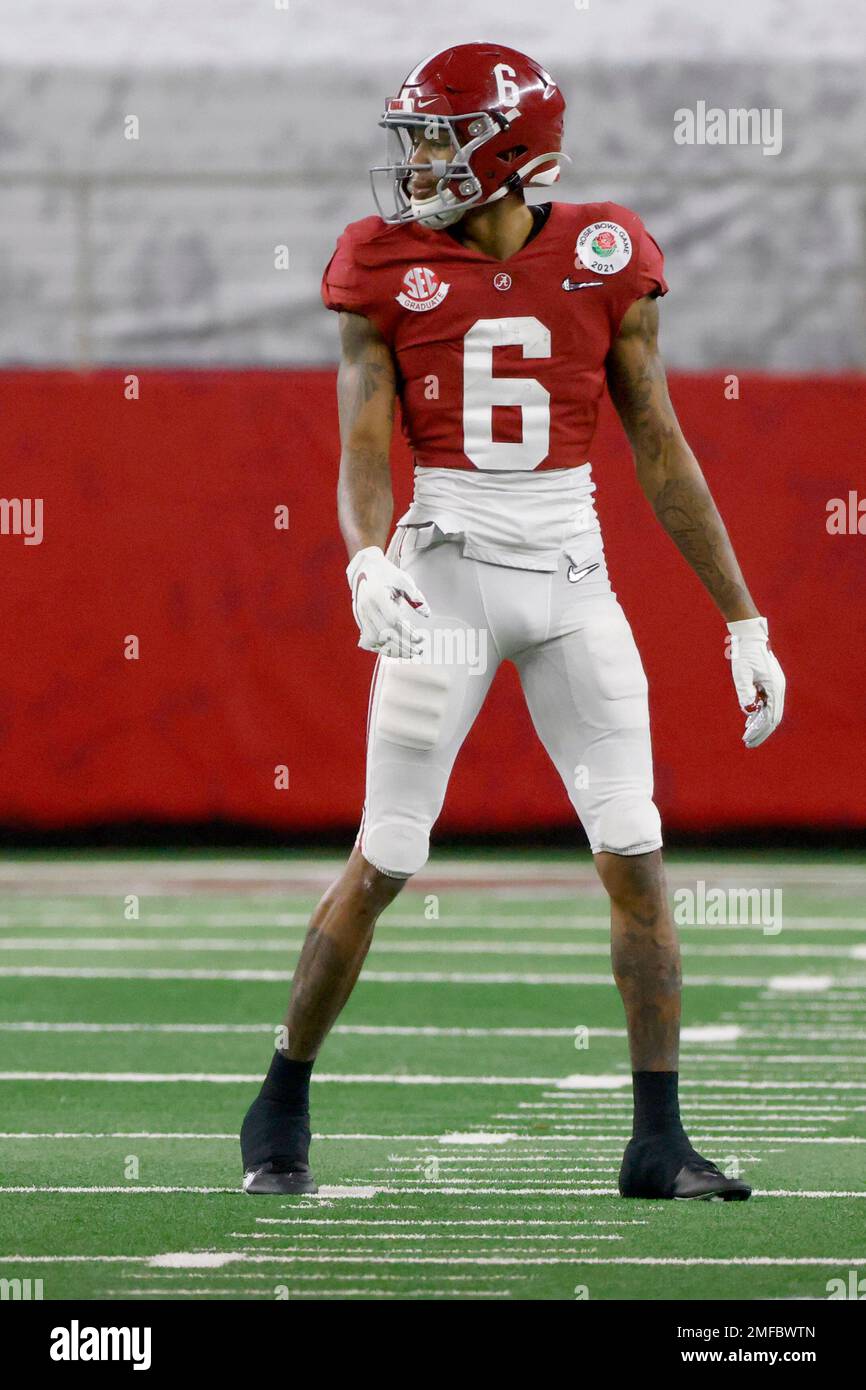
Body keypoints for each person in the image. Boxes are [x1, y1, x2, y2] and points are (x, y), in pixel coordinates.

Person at [241, 42, 785, 1200]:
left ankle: (656, 1138)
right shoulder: (383, 263)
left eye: (438, 136)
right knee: (387, 850)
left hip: (572, 575)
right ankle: (281, 1093)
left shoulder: (603, 251)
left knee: (633, 851)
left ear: (506, 145)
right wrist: (360, 562)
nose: (419, 161)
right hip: (443, 571)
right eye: (418, 138)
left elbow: (659, 446)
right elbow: (359, 443)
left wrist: (741, 617)